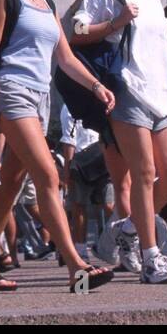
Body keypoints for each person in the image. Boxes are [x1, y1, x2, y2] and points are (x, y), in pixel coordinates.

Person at [0, 0, 117, 294]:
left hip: (38, 99)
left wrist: (96, 85)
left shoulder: (46, 6)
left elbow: (64, 58)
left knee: (13, 183)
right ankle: (76, 267)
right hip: (11, 93)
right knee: (48, 175)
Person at [71, 0, 167, 284]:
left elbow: (162, 52)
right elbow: (75, 31)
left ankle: (127, 227)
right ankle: (151, 259)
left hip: (162, 96)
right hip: (127, 92)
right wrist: (115, 22)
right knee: (143, 172)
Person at [58, 103, 104, 263]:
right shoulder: (69, 107)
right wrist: (68, 168)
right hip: (82, 161)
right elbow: (69, 139)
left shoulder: (100, 101)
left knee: (108, 204)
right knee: (79, 206)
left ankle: (108, 245)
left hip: (101, 157)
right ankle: (81, 249)